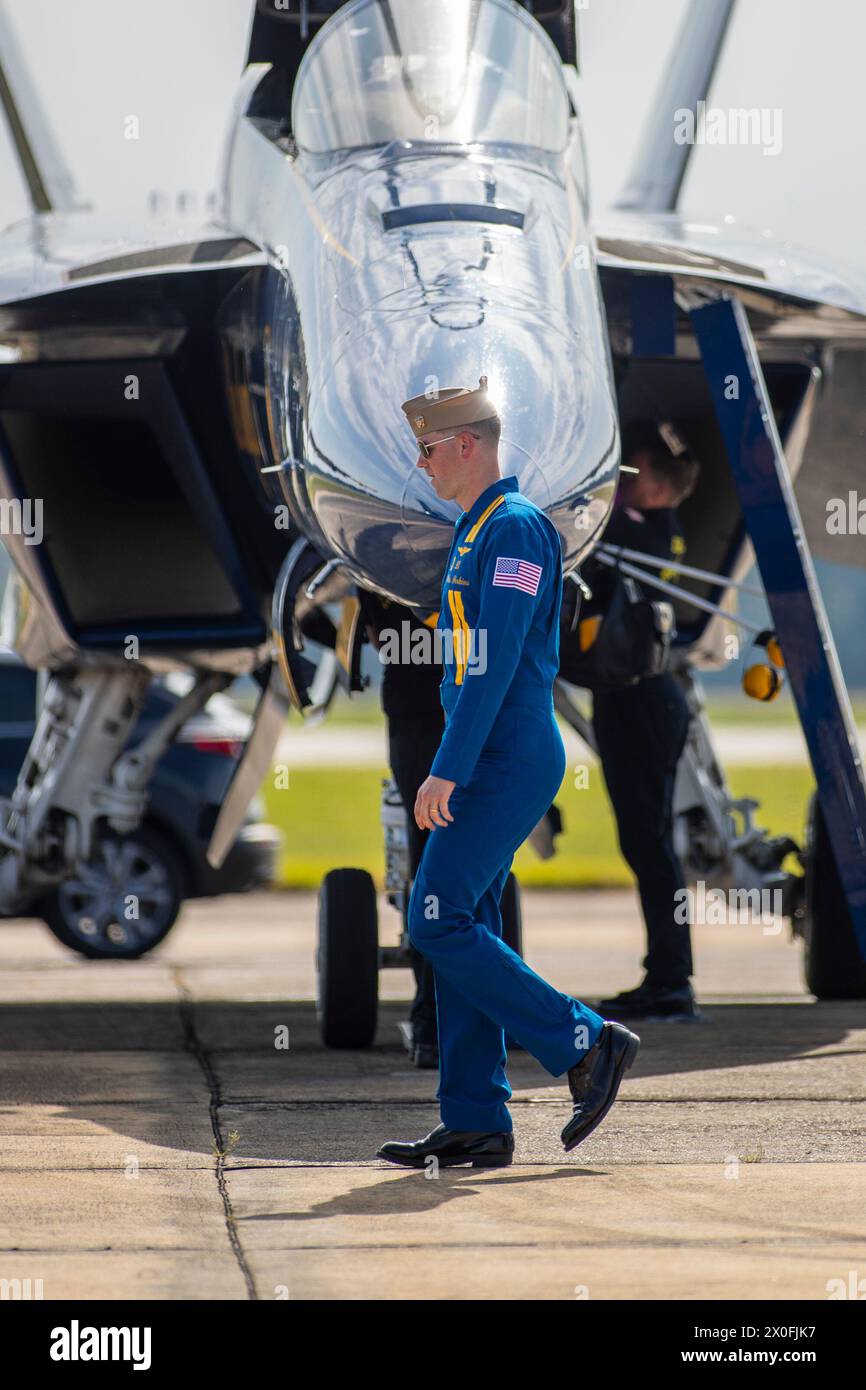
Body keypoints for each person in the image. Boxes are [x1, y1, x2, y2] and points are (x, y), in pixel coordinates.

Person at [376, 377, 639, 1169]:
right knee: (465, 926)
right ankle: (477, 1120)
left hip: (506, 755)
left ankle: (585, 1040)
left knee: (434, 918)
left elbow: (489, 669)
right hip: (487, 751)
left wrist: (444, 771)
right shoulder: (477, 528)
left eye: (428, 448)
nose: (420, 464)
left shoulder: (516, 529)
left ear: (468, 445)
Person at [586, 421, 700, 1021]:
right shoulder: (646, 528)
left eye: (634, 474)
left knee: (651, 843)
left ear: (658, 487)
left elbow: (603, 531)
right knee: (645, 841)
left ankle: (672, 979)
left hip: (644, 702)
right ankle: (666, 975)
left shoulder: (654, 535)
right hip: (629, 699)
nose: (622, 483)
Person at [361, 595, 443, 1067]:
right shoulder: (486, 537)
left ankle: (432, 1023)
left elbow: (374, 634)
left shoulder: (377, 551)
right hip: (466, 711)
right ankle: (480, 1016)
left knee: (428, 868)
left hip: (413, 714)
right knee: (474, 874)